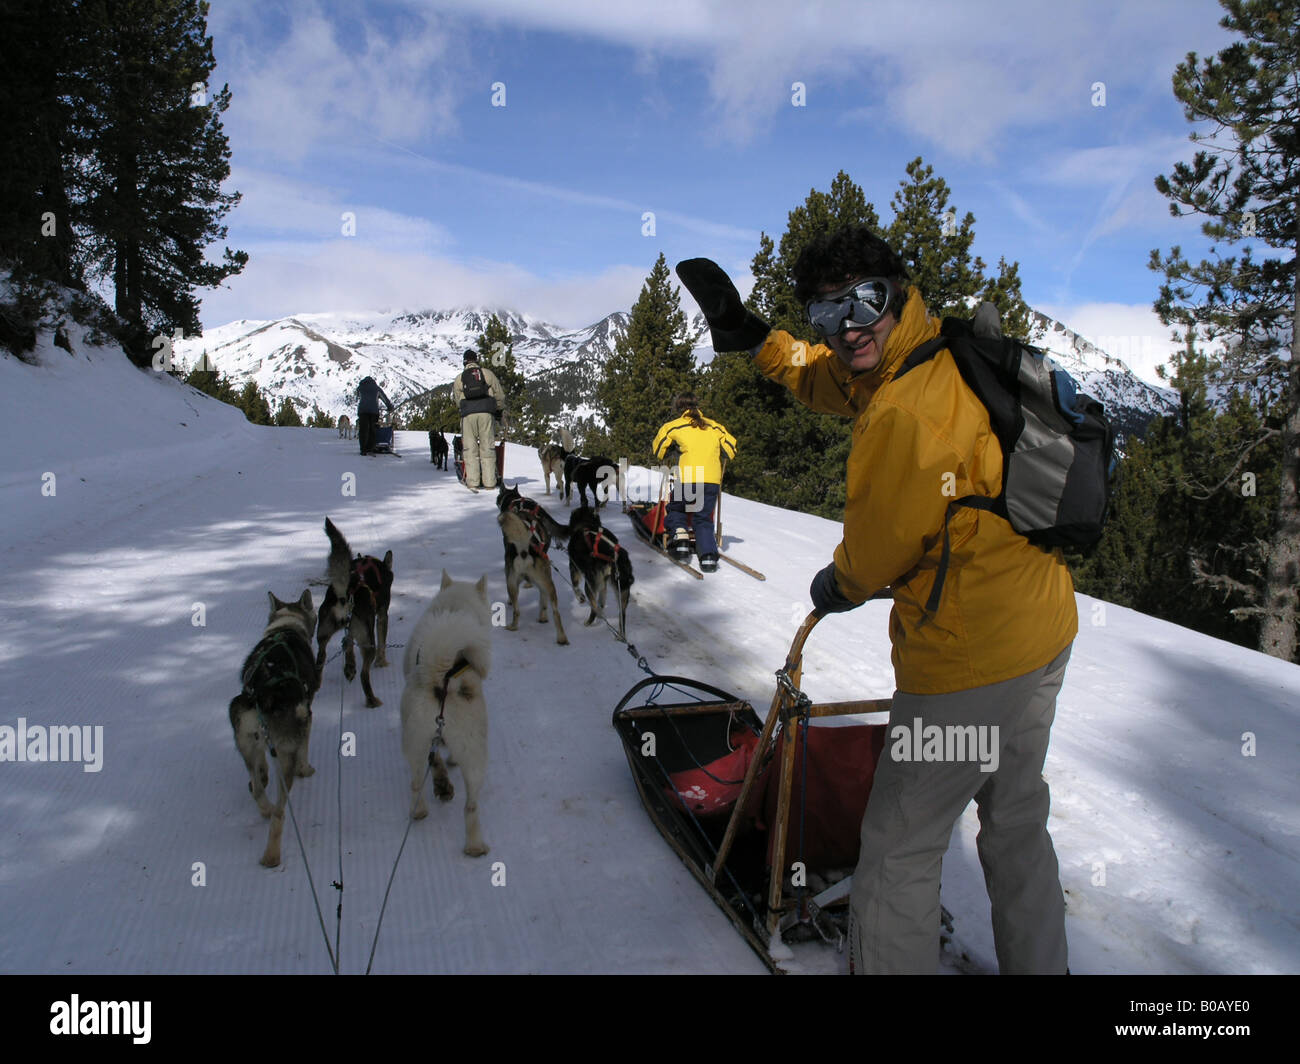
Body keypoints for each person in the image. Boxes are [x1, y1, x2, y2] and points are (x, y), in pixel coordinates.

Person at [676, 228, 1077, 975]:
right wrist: (757, 338)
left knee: (897, 849)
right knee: (1017, 821)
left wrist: (838, 583)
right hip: (1041, 631)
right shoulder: (934, 349)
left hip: (968, 662)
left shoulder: (904, 411)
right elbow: (827, 377)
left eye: (864, 302)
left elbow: (873, 555)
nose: (846, 327)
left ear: (896, 289)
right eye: (826, 316)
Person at [651, 395, 736, 573]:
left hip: (690, 475)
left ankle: (681, 543)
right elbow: (731, 449)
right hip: (712, 479)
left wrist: (672, 450)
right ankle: (708, 557)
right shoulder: (715, 426)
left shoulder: (674, 426)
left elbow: (658, 450)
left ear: (679, 409)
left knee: (677, 509)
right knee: (703, 517)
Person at [453, 349, 506, 490]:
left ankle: (473, 482)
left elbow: (457, 401)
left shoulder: (460, 378)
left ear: (465, 362)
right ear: (476, 360)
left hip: (468, 416)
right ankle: (489, 483)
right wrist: (498, 410)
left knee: (470, 450)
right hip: (486, 414)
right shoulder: (487, 374)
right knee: (487, 447)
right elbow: (499, 395)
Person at [356, 376, 393, 456]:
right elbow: (384, 399)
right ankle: (370, 448)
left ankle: (363, 449)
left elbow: (358, 396)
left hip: (362, 411)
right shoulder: (376, 388)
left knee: (363, 430)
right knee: (372, 429)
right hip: (374, 412)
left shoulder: (360, 387)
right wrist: (389, 407)